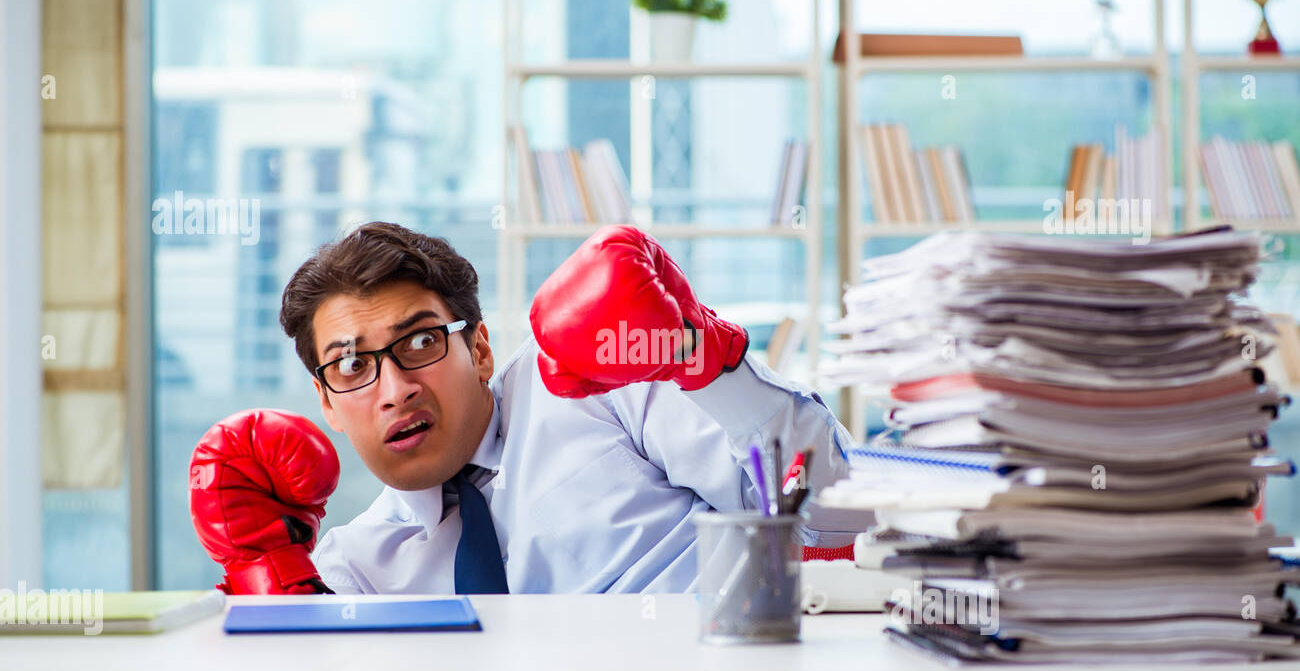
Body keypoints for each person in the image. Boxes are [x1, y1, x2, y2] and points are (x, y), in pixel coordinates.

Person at [189, 221, 856, 595]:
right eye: (353, 364)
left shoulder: (591, 381)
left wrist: (703, 355)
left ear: (480, 347)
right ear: (327, 402)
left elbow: (836, 521)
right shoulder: (355, 570)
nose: (394, 389)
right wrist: (262, 572)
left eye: (421, 341)